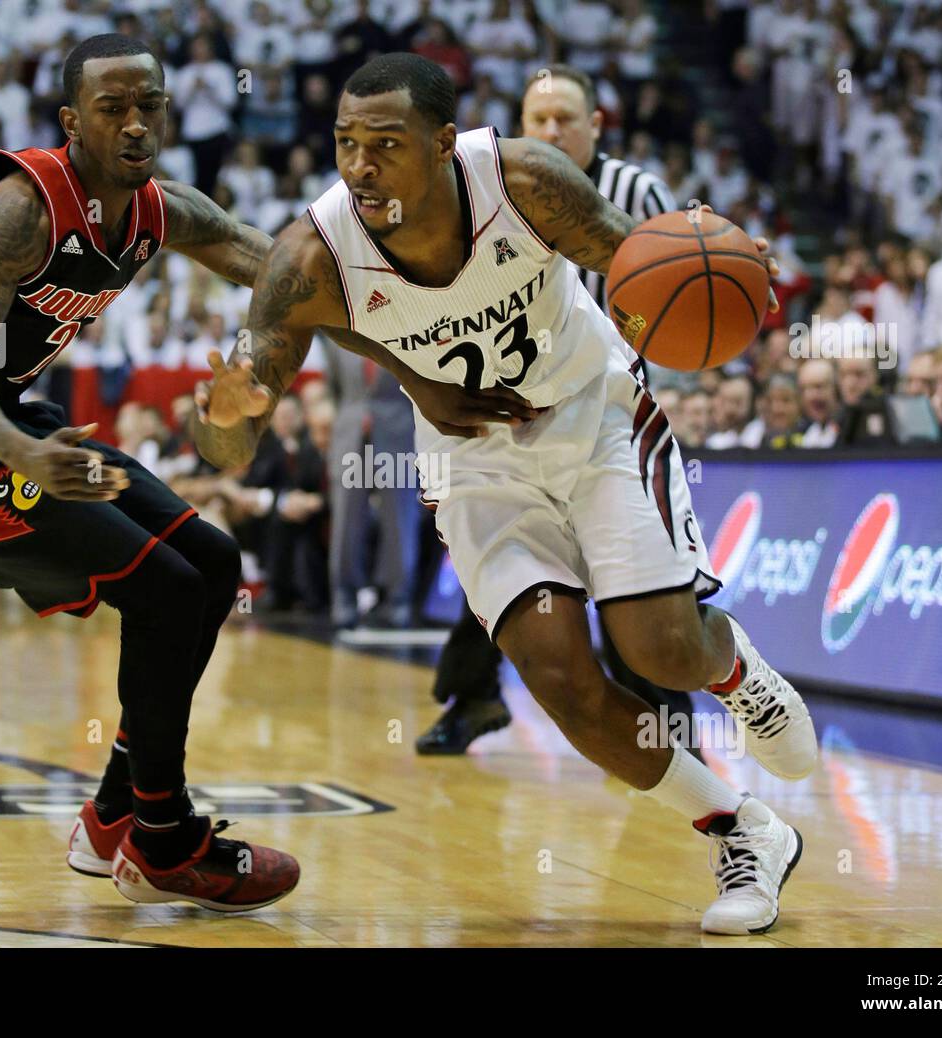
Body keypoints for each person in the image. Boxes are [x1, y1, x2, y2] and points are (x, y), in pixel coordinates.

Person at [194, 54, 817, 935]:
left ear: (445, 144)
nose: (360, 167)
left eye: (385, 144)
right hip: (473, 459)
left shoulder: (523, 180)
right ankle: (742, 828)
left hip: (591, 415)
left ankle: (737, 673)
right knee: (558, 674)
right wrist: (228, 415)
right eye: (345, 144)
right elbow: (224, 444)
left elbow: (639, 265)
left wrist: (714, 261)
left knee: (660, 650)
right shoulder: (311, 258)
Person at [0, 35, 307, 912]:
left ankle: (111, 823)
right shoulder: (18, 207)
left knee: (210, 564)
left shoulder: (160, 210)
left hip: (11, 438)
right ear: (72, 121)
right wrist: (25, 455)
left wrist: (412, 339)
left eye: (151, 106)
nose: (136, 124)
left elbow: (285, 270)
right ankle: (165, 839)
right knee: (165, 592)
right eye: (113, 108)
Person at [419, 63, 692, 756]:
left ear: (597, 125)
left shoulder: (635, 190)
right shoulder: (490, 189)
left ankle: (670, 729)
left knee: (631, 584)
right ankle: (475, 698)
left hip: (602, 412)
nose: (550, 130)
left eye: (565, 118)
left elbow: (689, 282)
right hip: (508, 422)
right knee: (508, 579)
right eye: (537, 119)